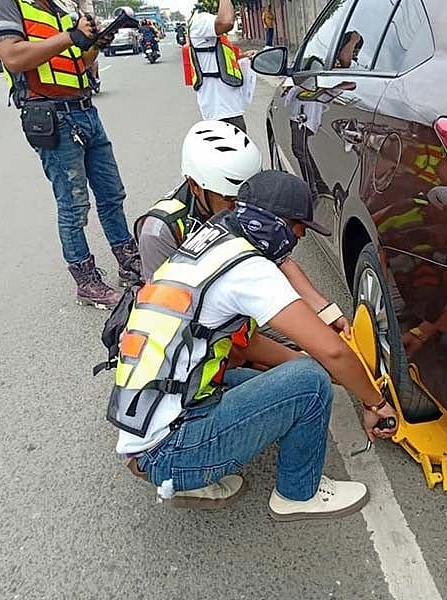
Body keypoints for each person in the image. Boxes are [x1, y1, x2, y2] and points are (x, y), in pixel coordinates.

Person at [109, 170, 398, 519]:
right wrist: (375, 403)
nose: (301, 236)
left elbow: (246, 346)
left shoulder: (207, 245)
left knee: (291, 373)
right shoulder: (246, 268)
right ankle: (298, 493)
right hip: (168, 451)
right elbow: (332, 350)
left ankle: (191, 470)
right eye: (298, 226)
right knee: (309, 380)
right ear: (273, 225)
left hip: (148, 429)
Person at [0, 0, 140, 309]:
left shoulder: (55, 7)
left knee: (111, 194)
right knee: (73, 204)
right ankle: (86, 281)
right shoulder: (1, 3)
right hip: (52, 117)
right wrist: (71, 36)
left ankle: (128, 261)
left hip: (85, 110)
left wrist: (94, 43)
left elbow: (78, 62)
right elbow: (12, 57)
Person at [136, 120, 350, 335]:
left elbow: (281, 261)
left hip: (240, 311)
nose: (241, 208)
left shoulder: (241, 207)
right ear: (195, 186)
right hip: (198, 333)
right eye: (231, 200)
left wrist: (325, 311)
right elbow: (167, 313)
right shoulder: (160, 231)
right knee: (309, 357)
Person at [187, 0, 255, 132]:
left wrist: (242, 57)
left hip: (228, 107)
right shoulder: (201, 20)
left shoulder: (208, 24)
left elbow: (218, 60)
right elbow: (226, 22)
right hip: (221, 110)